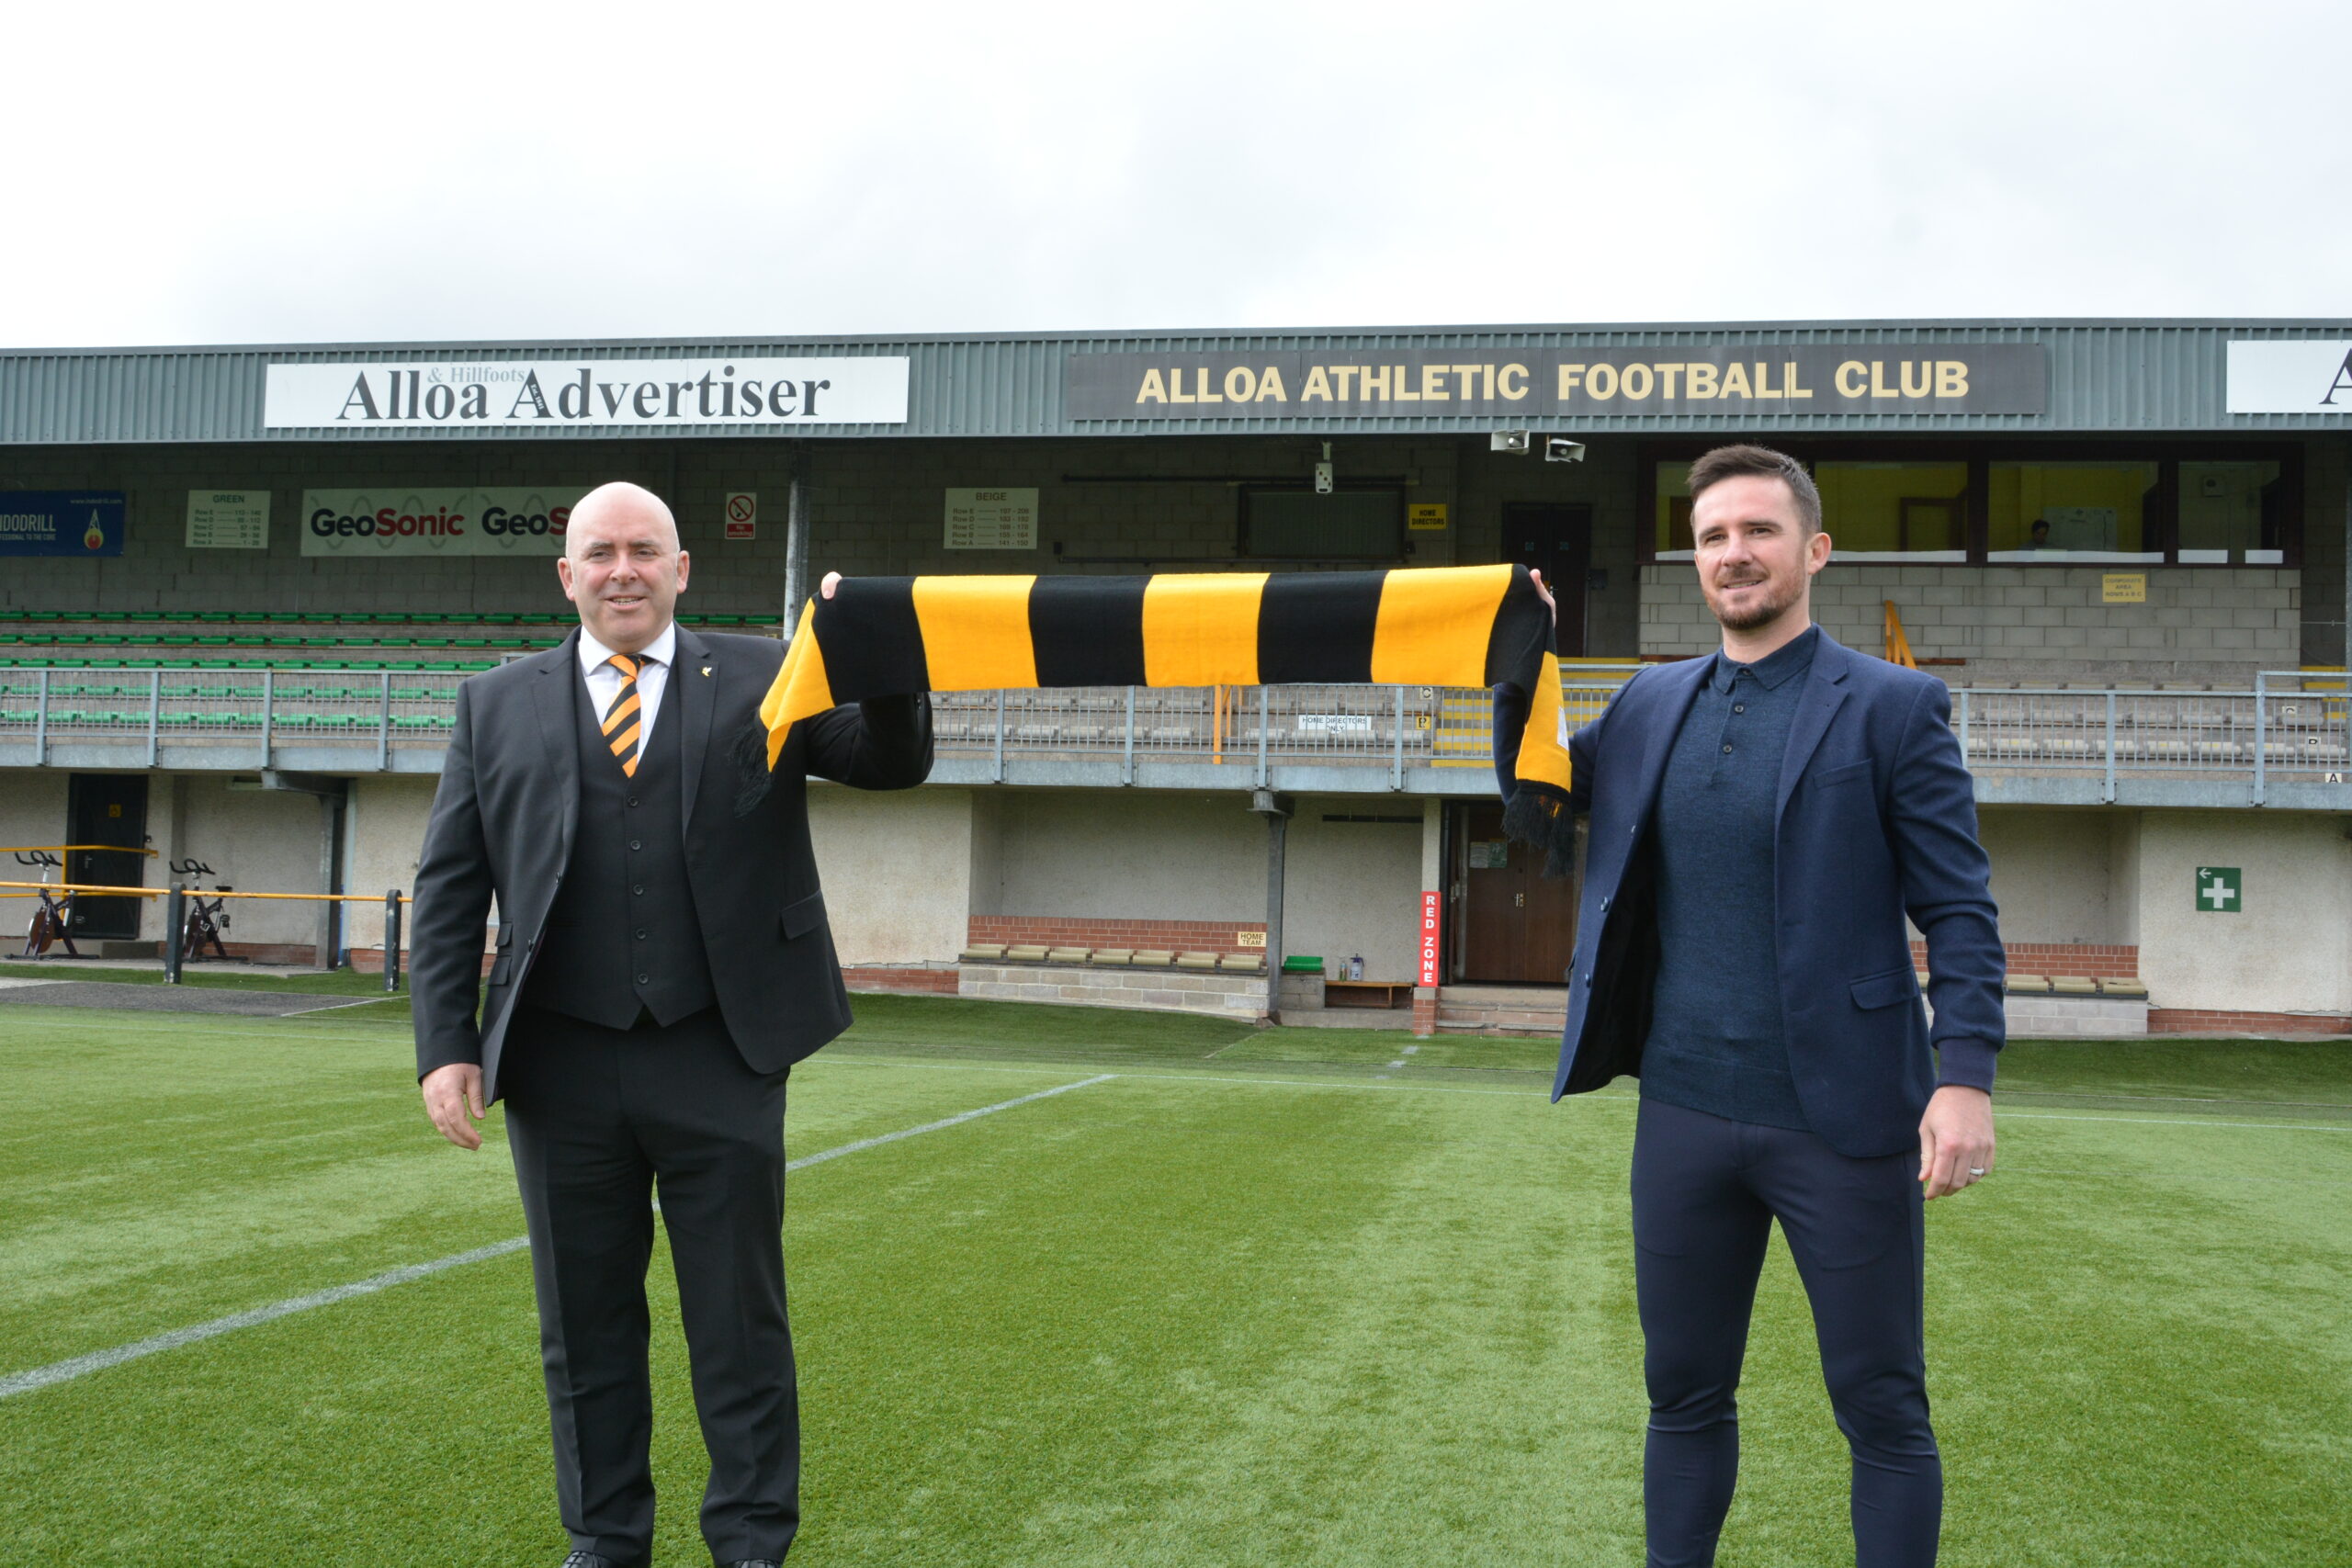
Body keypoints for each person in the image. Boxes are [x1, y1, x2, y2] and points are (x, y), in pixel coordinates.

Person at [411, 481, 932, 1568]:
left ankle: (748, 1542)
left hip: (722, 1049)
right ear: (567, 575)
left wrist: (882, 654)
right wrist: (446, 1044)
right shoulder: (491, 704)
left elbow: (891, 762)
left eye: (644, 549)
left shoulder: (764, 674)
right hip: (557, 1060)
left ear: (682, 569)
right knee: (586, 1331)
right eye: (599, 552)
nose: (622, 570)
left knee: (739, 1326)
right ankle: (606, 1541)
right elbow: (452, 886)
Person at [1500, 445, 2002, 1568]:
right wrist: (1515, 652)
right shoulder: (1645, 702)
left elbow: (1961, 911)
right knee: (1679, 1395)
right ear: (1695, 560)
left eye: (1759, 531)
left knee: (1880, 1406)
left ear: (1812, 551)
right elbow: (1535, 798)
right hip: (1680, 1112)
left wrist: (1963, 1077)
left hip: (1847, 1117)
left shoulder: (1893, 706)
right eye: (1715, 535)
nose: (1736, 553)